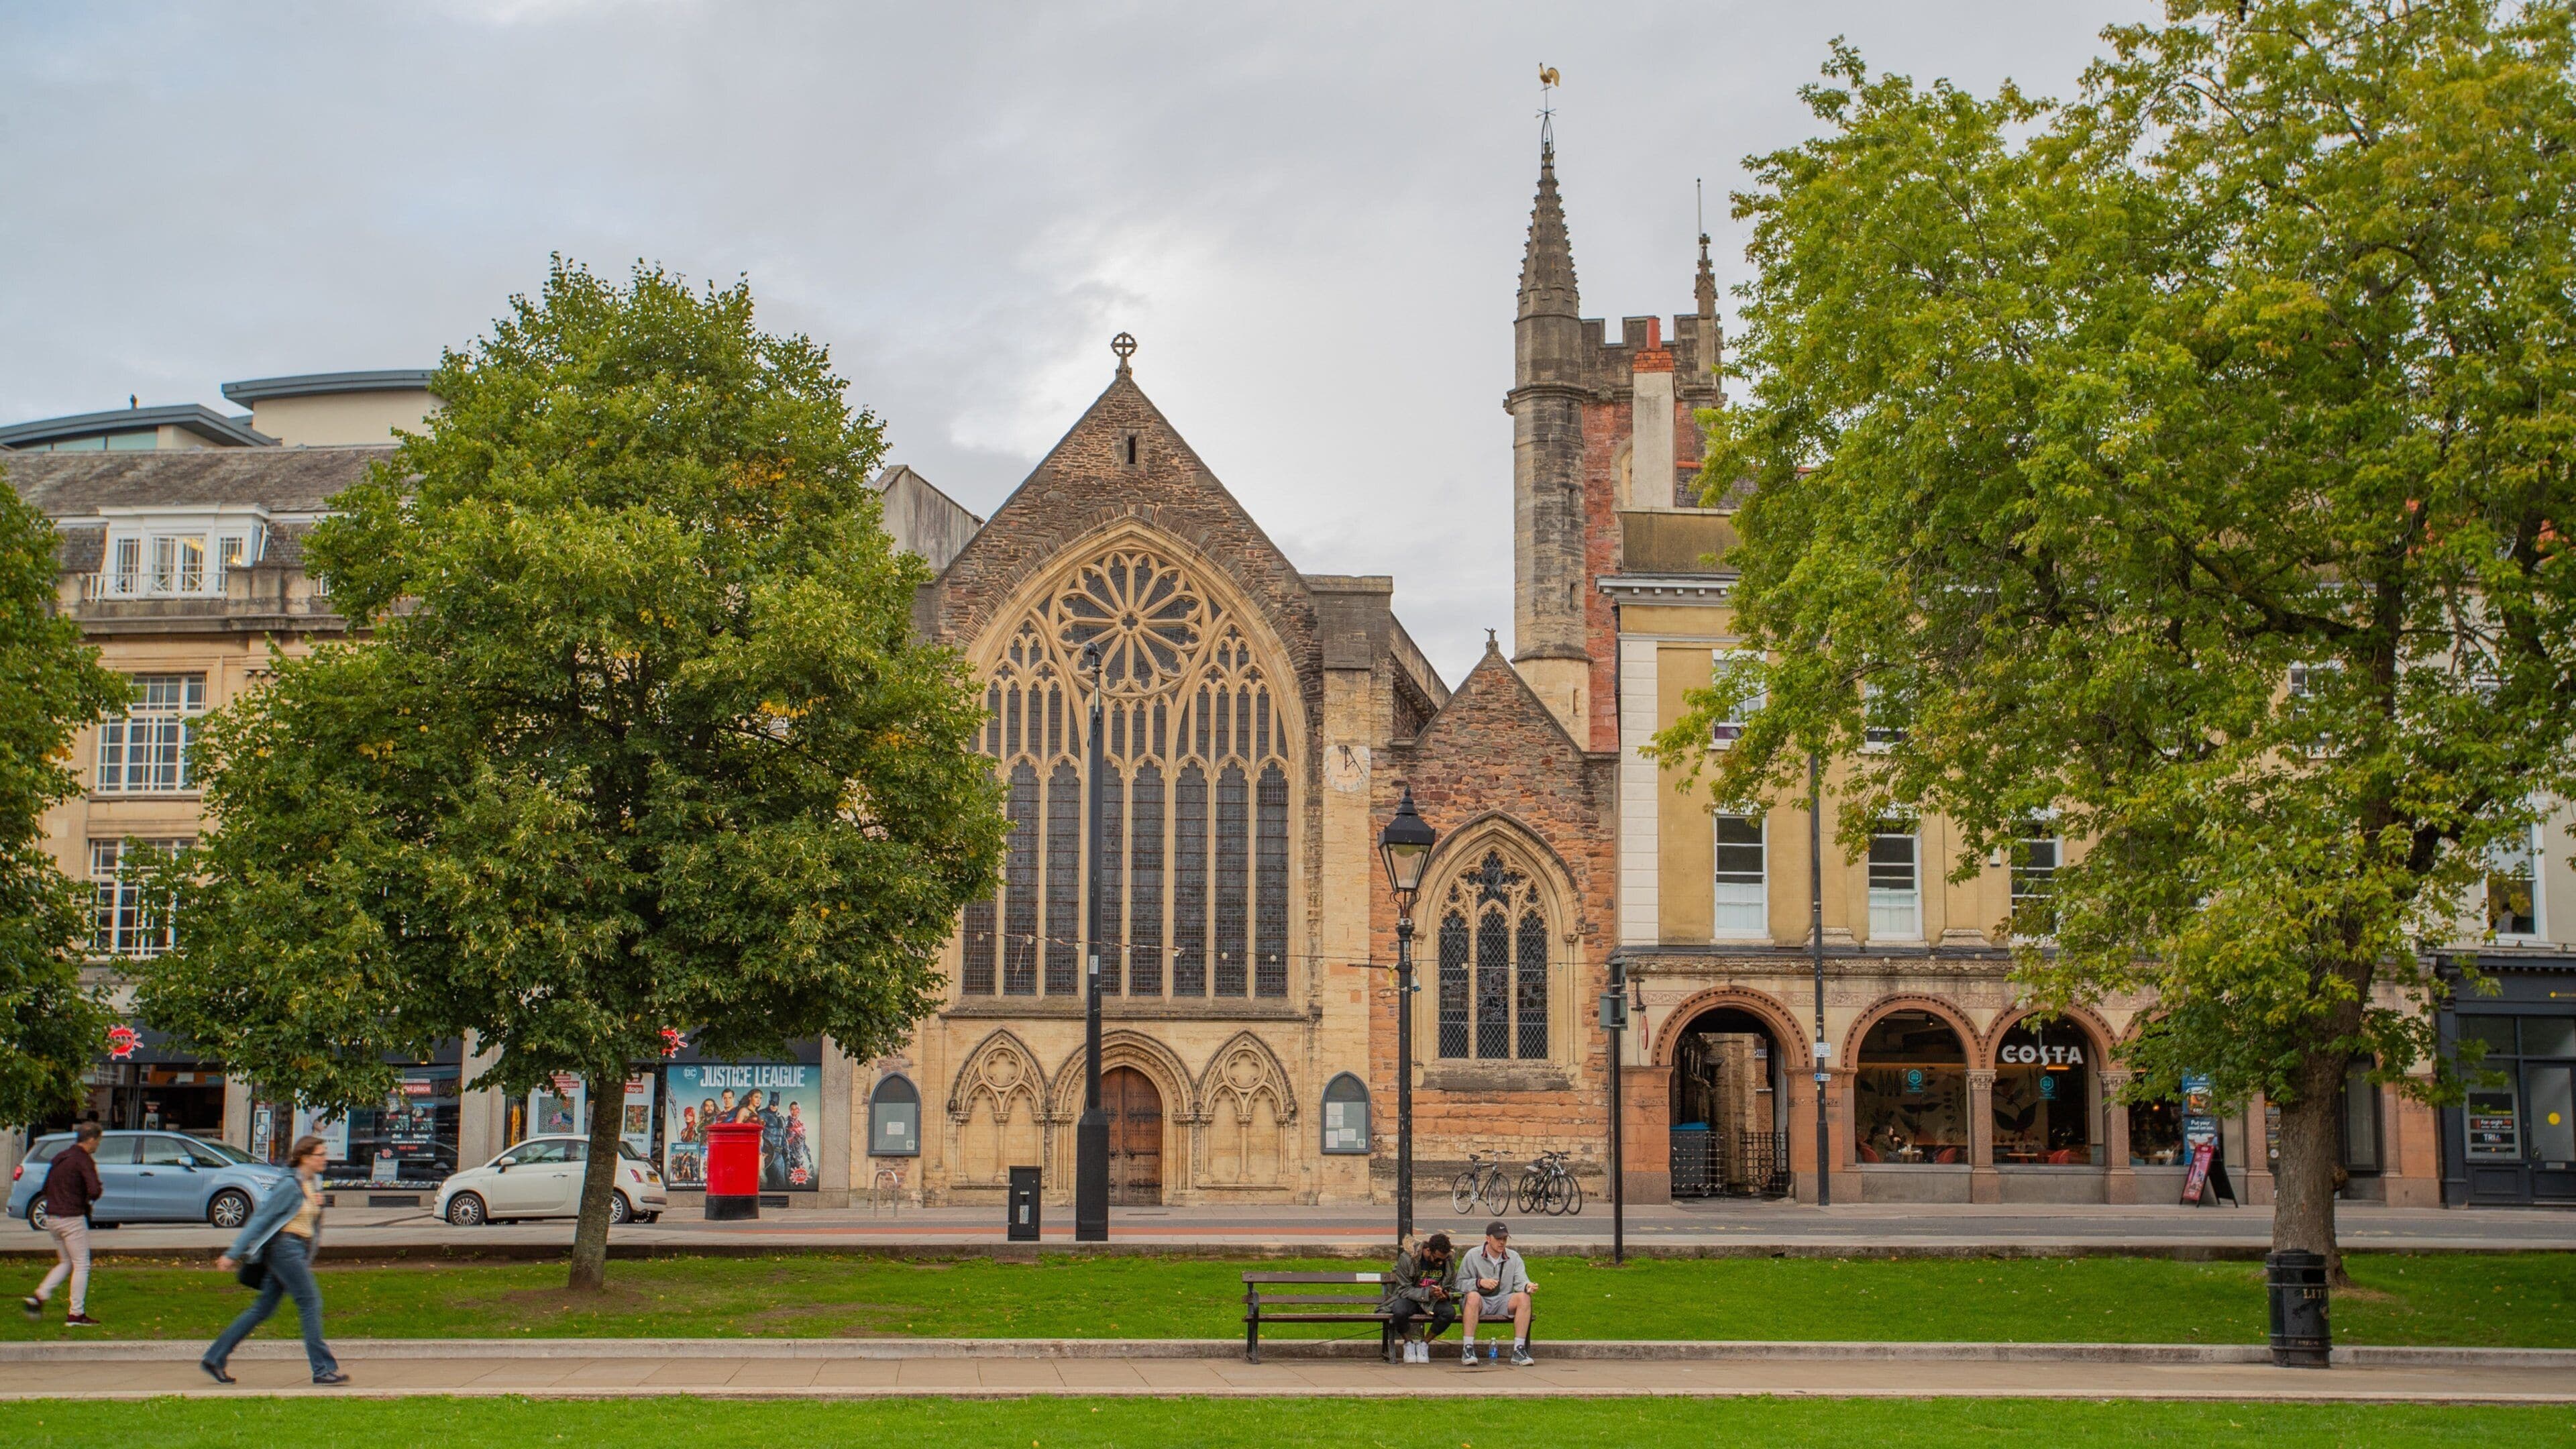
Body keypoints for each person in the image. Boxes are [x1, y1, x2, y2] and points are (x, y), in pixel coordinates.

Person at [204, 1134, 345, 1386]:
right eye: (320, 1154)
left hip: (296, 1250)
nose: (325, 1158)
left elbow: (310, 1226)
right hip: (284, 1248)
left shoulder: (312, 1184)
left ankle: (215, 1357)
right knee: (310, 1302)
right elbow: (261, 1219)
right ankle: (323, 1369)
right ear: (305, 1157)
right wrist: (233, 1253)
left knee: (263, 1308)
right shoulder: (289, 1185)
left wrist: (318, 1206)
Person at [21, 1122, 105, 1326]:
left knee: (66, 1262)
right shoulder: (83, 1159)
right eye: (98, 1141)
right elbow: (94, 1190)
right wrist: (86, 1198)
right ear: (91, 1139)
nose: (98, 1145)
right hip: (72, 1218)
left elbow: (46, 1187)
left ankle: (39, 1296)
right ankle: (76, 1314)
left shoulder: (61, 1157)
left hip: (52, 1217)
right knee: (82, 1265)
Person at [1455, 1220, 1536, 1365]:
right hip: (1480, 1302)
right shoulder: (1472, 1255)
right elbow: (1459, 1284)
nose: (1502, 1242)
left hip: (1503, 1300)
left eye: (1504, 1239)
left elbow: (1521, 1281)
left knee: (1524, 1298)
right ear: (1488, 1238)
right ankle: (1468, 1349)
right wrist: (1479, 1283)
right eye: (1498, 1239)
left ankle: (1519, 1350)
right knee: (1473, 1296)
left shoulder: (1514, 1257)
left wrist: (1528, 1286)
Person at [1381, 1232, 1456, 1363]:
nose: (1440, 1263)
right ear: (1428, 1250)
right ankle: (1408, 1343)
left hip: (1433, 1301)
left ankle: (1424, 1344)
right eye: (1437, 1259)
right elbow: (1404, 1289)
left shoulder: (1448, 1260)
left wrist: (1444, 1295)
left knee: (1449, 1312)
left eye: (1443, 1260)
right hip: (1411, 1298)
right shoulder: (1408, 1258)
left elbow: (1449, 1285)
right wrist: (1428, 1292)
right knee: (1399, 1311)